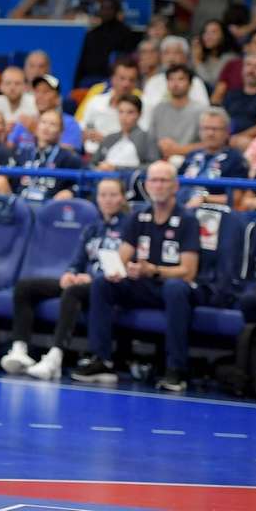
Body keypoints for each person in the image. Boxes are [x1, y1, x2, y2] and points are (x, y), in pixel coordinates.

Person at [72, 161, 200, 391]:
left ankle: (176, 369)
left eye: (164, 180)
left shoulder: (187, 219)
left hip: (169, 287)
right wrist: (120, 271)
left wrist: (154, 270)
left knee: (176, 288)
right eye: (153, 180)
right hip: (142, 284)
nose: (158, 185)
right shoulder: (139, 217)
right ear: (146, 185)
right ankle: (101, 359)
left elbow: (189, 271)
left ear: (175, 186)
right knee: (103, 284)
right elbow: (123, 257)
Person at [1, 178, 129, 380]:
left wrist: (92, 277)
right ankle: (20, 348)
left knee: (72, 292)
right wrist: (70, 273)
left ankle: (55, 357)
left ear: (122, 198)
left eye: (113, 195)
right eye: (103, 195)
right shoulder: (92, 228)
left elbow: (122, 266)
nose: (108, 200)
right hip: (81, 281)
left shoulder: (129, 227)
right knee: (25, 287)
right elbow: (78, 260)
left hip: (106, 287)